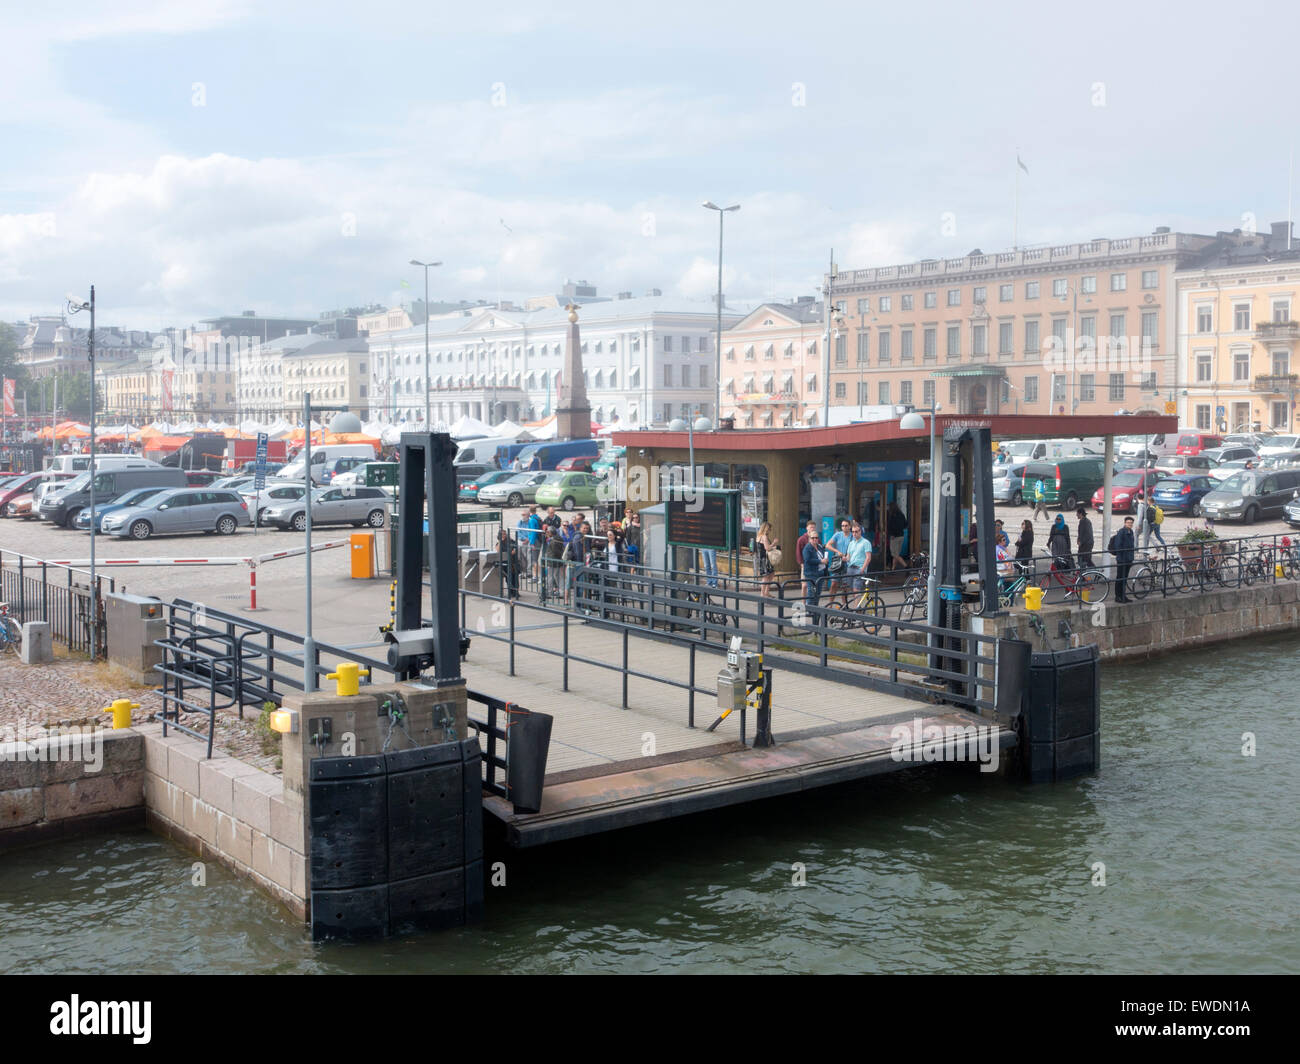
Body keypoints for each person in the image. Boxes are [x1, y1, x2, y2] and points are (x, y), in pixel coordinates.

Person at [1108, 516, 1137, 603]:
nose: (1130, 524)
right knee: (1120, 578)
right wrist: (1124, 555)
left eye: (1131, 523)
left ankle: (1123, 595)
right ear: (1125, 523)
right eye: (1128, 523)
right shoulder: (1121, 532)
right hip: (1122, 559)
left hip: (1128, 559)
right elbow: (1118, 546)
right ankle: (1118, 596)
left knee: (1124, 578)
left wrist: (1131, 557)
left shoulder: (1131, 532)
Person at [826, 519, 853, 607]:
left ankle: (844, 604)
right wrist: (837, 551)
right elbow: (828, 545)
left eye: (846, 525)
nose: (844, 527)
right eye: (842, 526)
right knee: (834, 583)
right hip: (838, 562)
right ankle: (830, 603)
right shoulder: (838, 534)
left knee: (845, 586)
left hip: (847, 562)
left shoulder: (852, 536)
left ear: (849, 526)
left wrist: (849, 557)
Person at [802, 527, 828, 610]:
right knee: (811, 593)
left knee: (818, 593)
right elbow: (808, 560)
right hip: (811, 574)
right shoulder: (807, 548)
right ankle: (810, 610)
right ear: (809, 538)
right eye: (812, 538)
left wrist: (825, 561)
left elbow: (823, 557)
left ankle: (815, 609)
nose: (814, 539)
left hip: (820, 573)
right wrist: (821, 561)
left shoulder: (820, 547)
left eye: (816, 538)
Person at [845, 523, 872, 600]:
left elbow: (868, 558)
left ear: (860, 531)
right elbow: (848, 557)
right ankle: (858, 608)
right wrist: (844, 558)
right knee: (851, 589)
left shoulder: (866, 542)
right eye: (853, 532)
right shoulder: (851, 543)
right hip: (850, 568)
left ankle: (856, 610)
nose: (854, 533)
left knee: (856, 589)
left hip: (859, 568)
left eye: (856, 531)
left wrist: (862, 569)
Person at [1046, 513, 1073, 588]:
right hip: (1055, 544)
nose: (1058, 520)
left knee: (1062, 557)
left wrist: (1069, 548)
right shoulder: (1054, 526)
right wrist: (1048, 542)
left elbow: (1068, 537)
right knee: (1055, 556)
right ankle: (1055, 571)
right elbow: (1051, 535)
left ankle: (1062, 571)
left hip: (1063, 544)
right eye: (1057, 519)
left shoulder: (1065, 527)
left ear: (1062, 520)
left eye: (1059, 519)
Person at [756, 521, 779, 598]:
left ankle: (766, 592)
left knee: (771, 574)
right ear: (766, 529)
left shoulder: (758, 536)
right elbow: (767, 548)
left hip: (762, 558)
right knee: (766, 577)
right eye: (769, 529)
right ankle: (763, 593)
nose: (770, 531)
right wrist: (774, 543)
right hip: (765, 559)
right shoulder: (764, 537)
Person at [497, 527, 520, 599]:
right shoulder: (499, 543)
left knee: (515, 577)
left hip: (513, 561)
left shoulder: (510, 540)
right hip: (505, 563)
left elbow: (515, 548)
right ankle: (510, 591)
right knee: (508, 578)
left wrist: (514, 551)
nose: (503, 535)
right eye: (502, 534)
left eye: (504, 534)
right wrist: (500, 541)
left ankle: (516, 592)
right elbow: (498, 550)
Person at [887, 502, 908, 570]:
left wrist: (892, 534)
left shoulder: (892, 516)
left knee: (894, 554)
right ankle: (893, 569)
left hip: (894, 537)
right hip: (901, 536)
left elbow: (890, 526)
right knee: (896, 554)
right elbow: (905, 524)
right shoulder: (901, 515)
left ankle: (906, 566)